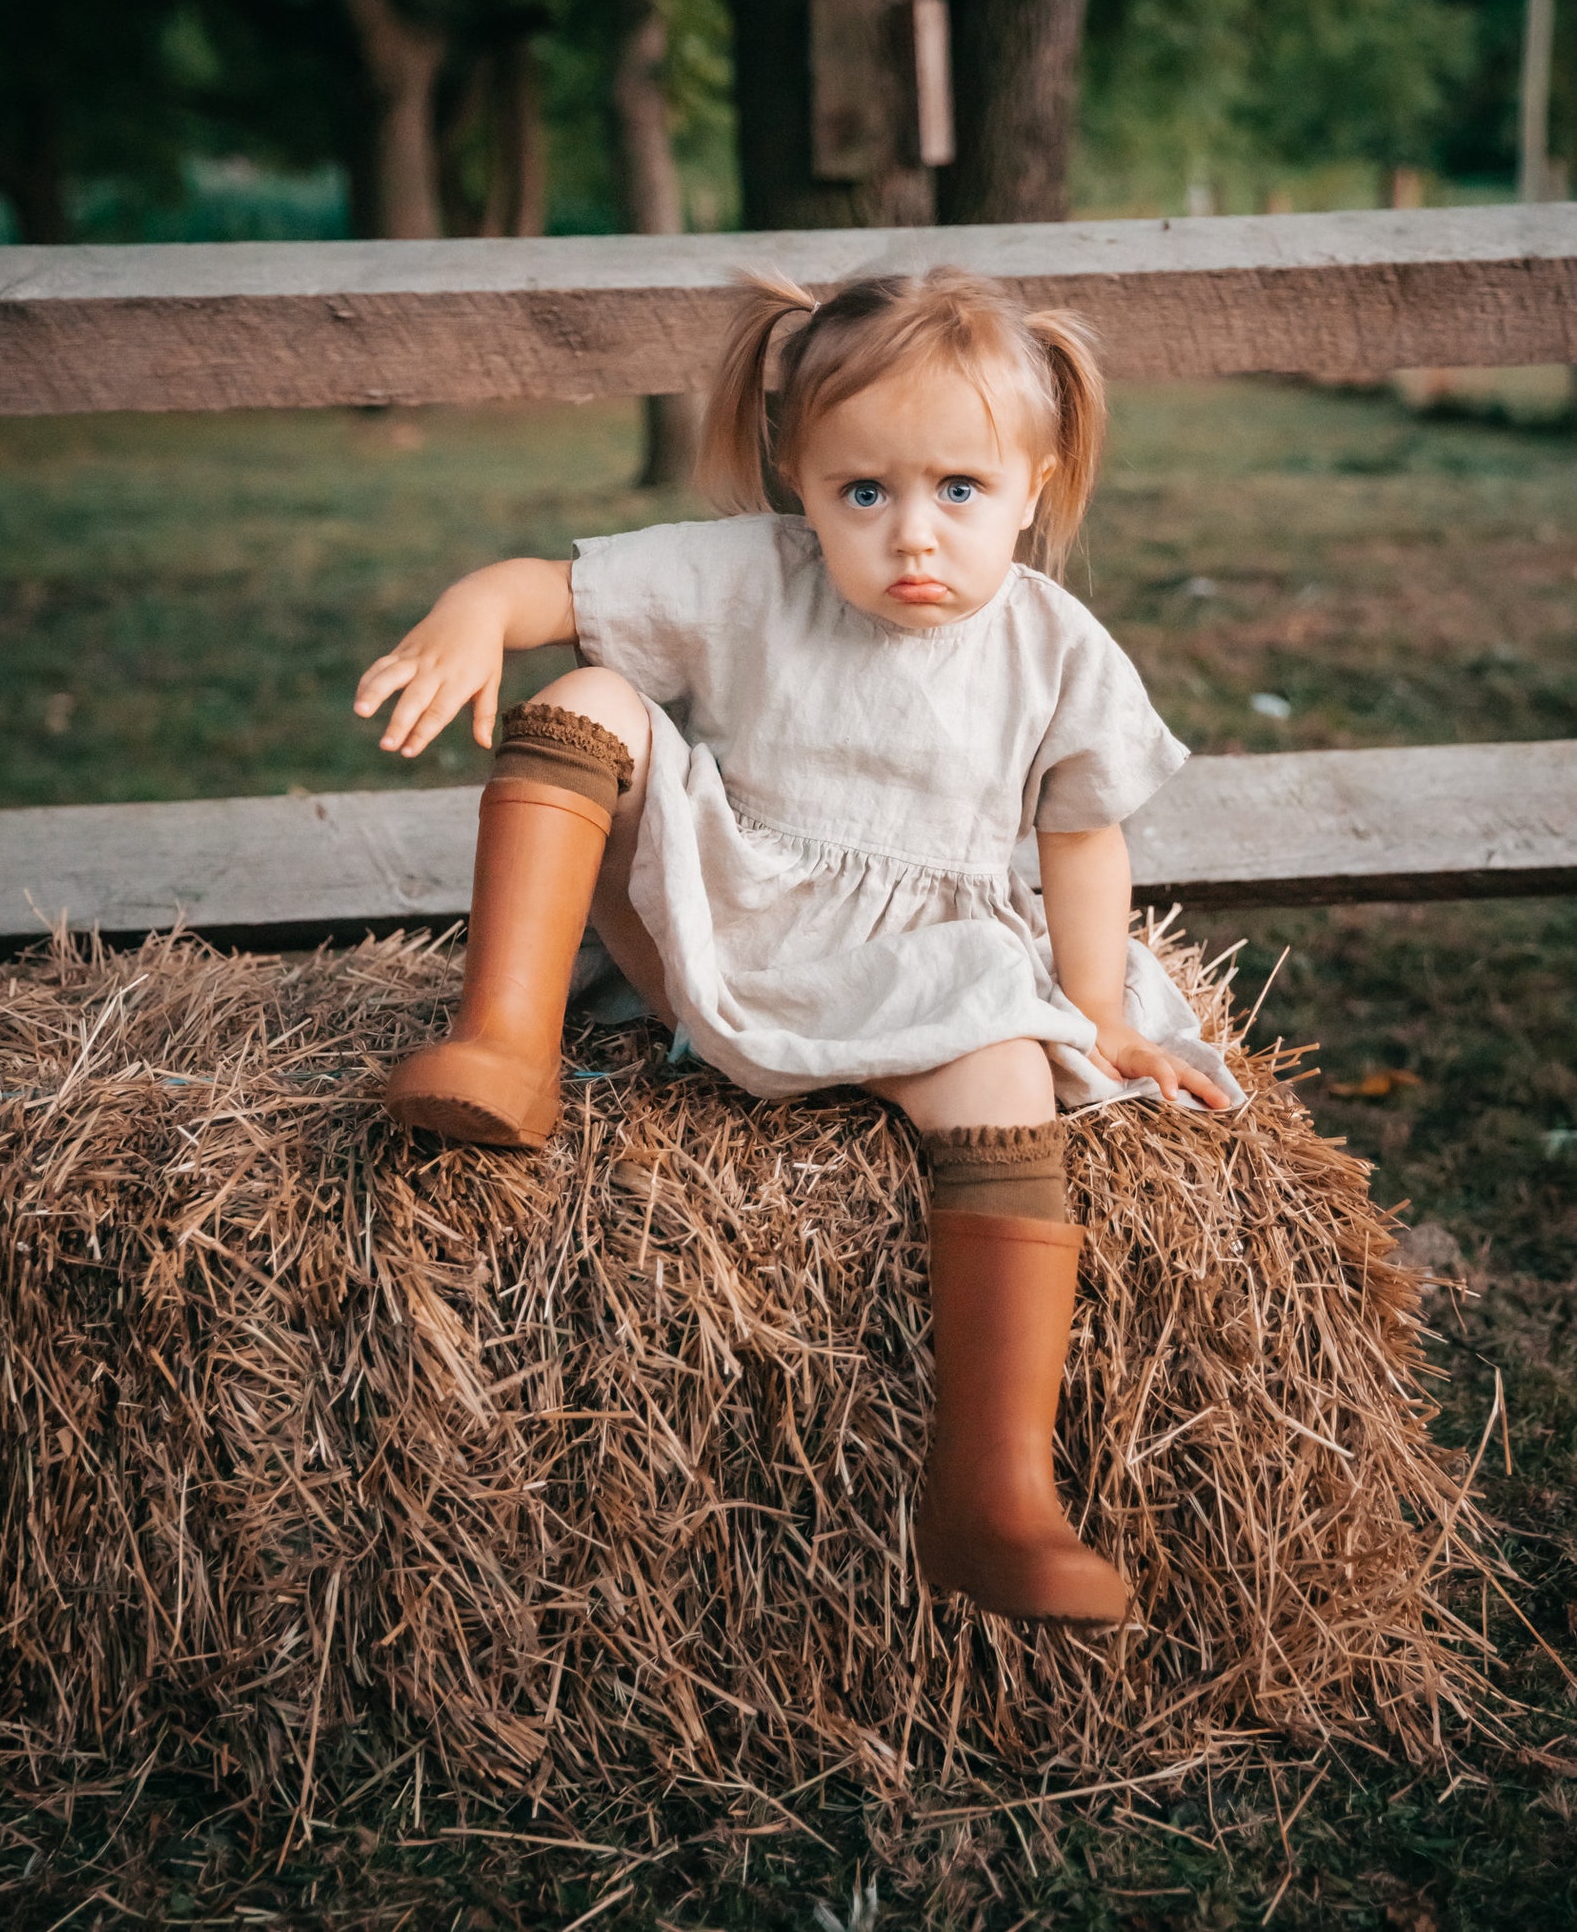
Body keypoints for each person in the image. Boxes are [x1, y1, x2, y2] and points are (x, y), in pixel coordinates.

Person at [355, 268, 1240, 1626]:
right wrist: (483, 603)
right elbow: (564, 589)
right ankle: (506, 1046)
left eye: (960, 489)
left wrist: (1101, 1009)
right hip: (717, 932)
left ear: (1037, 482)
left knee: (1005, 1075)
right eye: (863, 494)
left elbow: (1081, 839)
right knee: (589, 692)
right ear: (800, 475)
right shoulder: (750, 575)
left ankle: (995, 1489)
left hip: (921, 956)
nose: (912, 536)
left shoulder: (1057, 649)